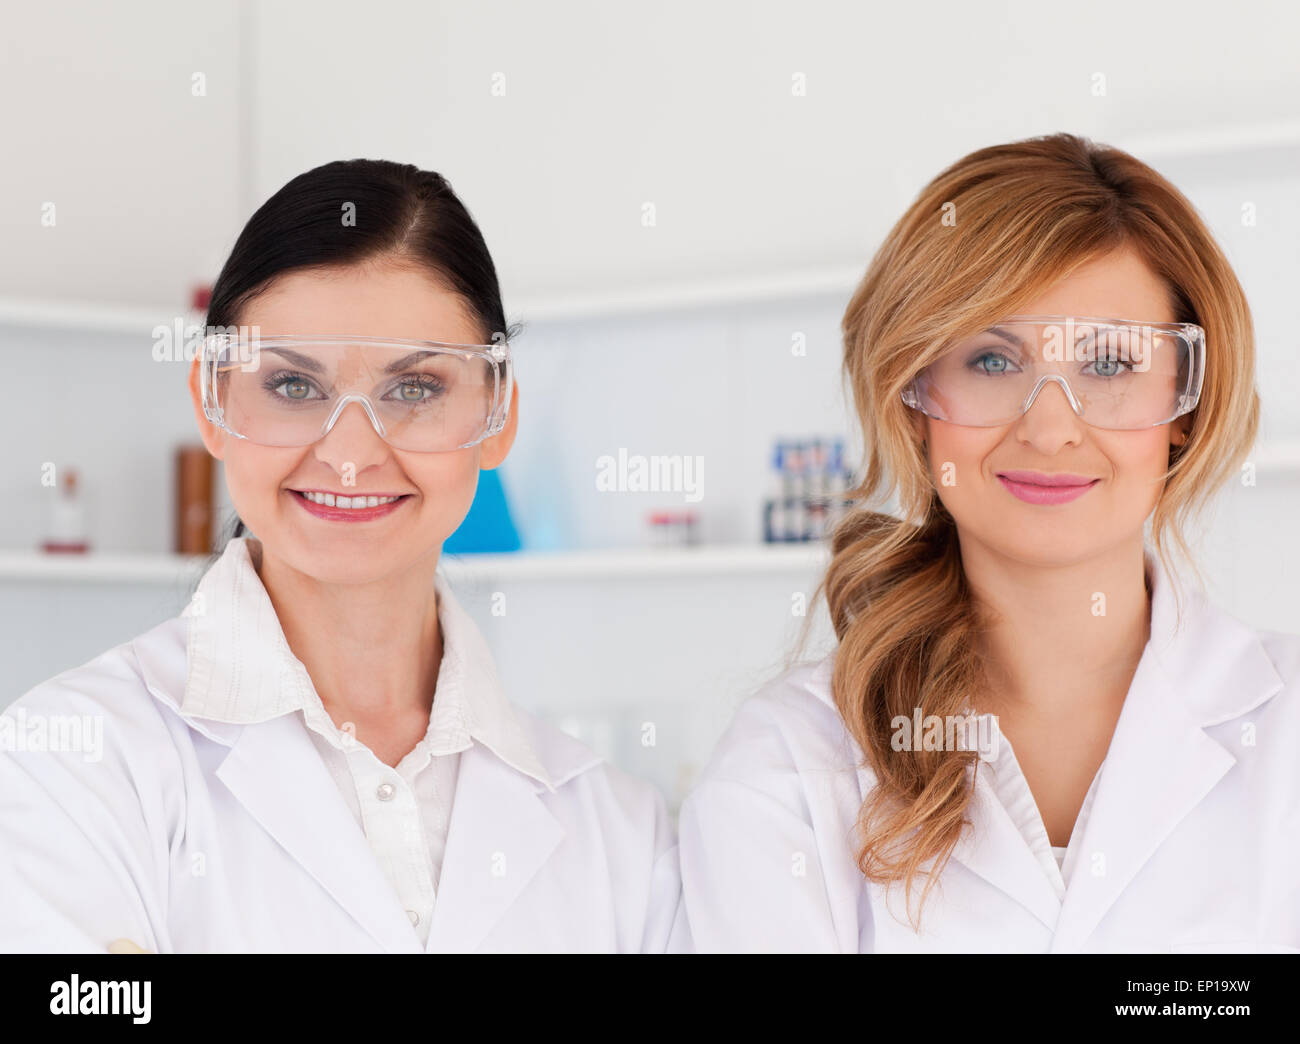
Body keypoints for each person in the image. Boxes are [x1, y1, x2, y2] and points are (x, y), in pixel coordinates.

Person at [0, 159, 680, 953]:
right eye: (293, 386)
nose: (351, 455)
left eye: (415, 387)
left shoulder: (618, 834)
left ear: (497, 417)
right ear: (211, 404)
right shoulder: (73, 763)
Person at [676, 133, 1300, 953]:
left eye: (1110, 363)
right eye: (991, 359)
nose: (1049, 429)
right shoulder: (788, 768)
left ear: (1186, 405)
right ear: (914, 397)